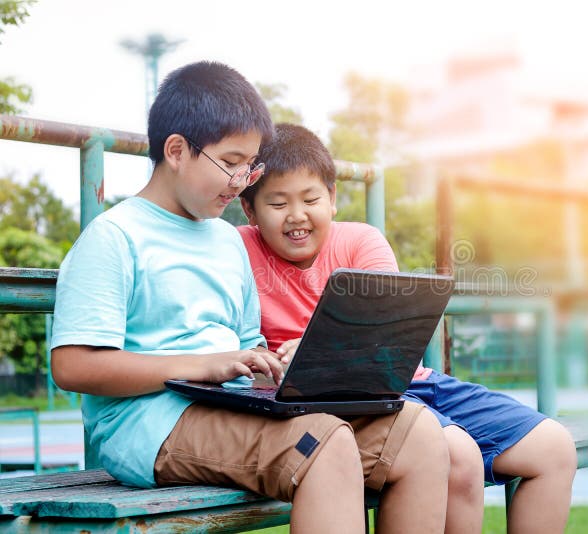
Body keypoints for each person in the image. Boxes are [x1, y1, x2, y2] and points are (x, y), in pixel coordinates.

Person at [50, 62, 449, 534]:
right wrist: (202, 365)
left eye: (250, 166)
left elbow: (245, 342)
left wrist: (273, 363)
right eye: (232, 163)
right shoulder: (115, 237)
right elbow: (72, 366)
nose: (243, 180)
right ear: (177, 151)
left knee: (421, 435)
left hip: (232, 406)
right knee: (320, 443)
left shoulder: (225, 241)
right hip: (148, 425)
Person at [238, 123, 578, 534]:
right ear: (250, 210)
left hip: (407, 381)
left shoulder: (361, 242)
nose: (297, 216)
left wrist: (326, 349)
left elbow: (394, 342)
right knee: (459, 455)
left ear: (331, 199)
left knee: (555, 449)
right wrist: (283, 357)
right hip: (333, 403)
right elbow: (240, 349)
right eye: (278, 203)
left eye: (310, 198)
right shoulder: (238, 252)